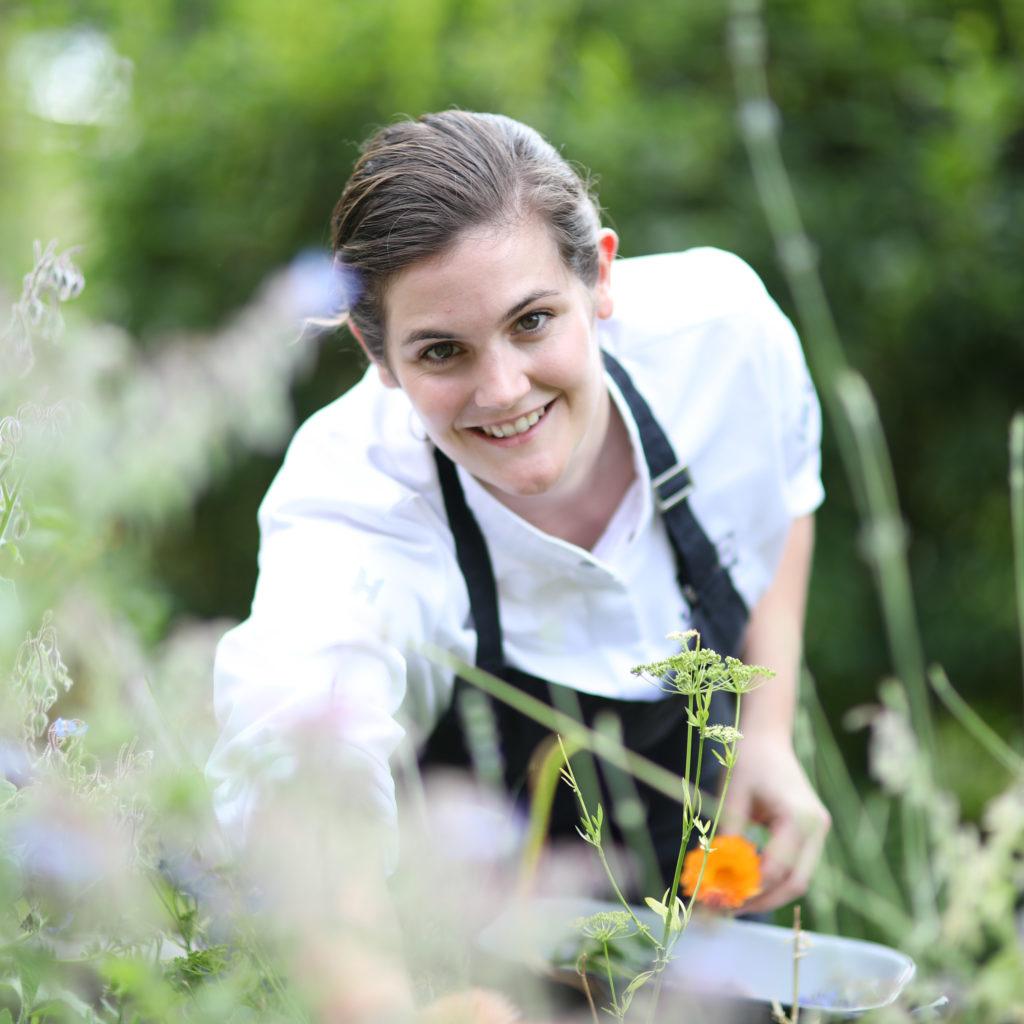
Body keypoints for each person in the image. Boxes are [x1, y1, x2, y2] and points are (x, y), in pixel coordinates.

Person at [207, 109, 831, 914]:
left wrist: (769, 732)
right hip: (468, 929)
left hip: (696, 899)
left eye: (531, 321)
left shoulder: (725, 337)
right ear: (379, 356)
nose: (502, 391)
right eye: (441, 351)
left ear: (600, 278)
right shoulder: (354, 499)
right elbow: (302, 782)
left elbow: (783, 496)